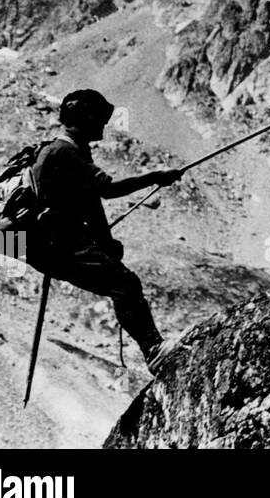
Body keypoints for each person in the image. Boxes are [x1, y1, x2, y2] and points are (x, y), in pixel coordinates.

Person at [27, 89, 184, 372]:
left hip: (53, 243)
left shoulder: (70, 150)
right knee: (124, 285)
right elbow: (108, 190)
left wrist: (106, 243)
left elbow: (90, 203)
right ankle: (154, 351)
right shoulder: (65, 152)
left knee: (122, 283)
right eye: (98, 118)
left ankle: (154, 349)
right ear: (84, 119)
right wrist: (156, 177)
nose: (103, 125)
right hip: (53, 245)